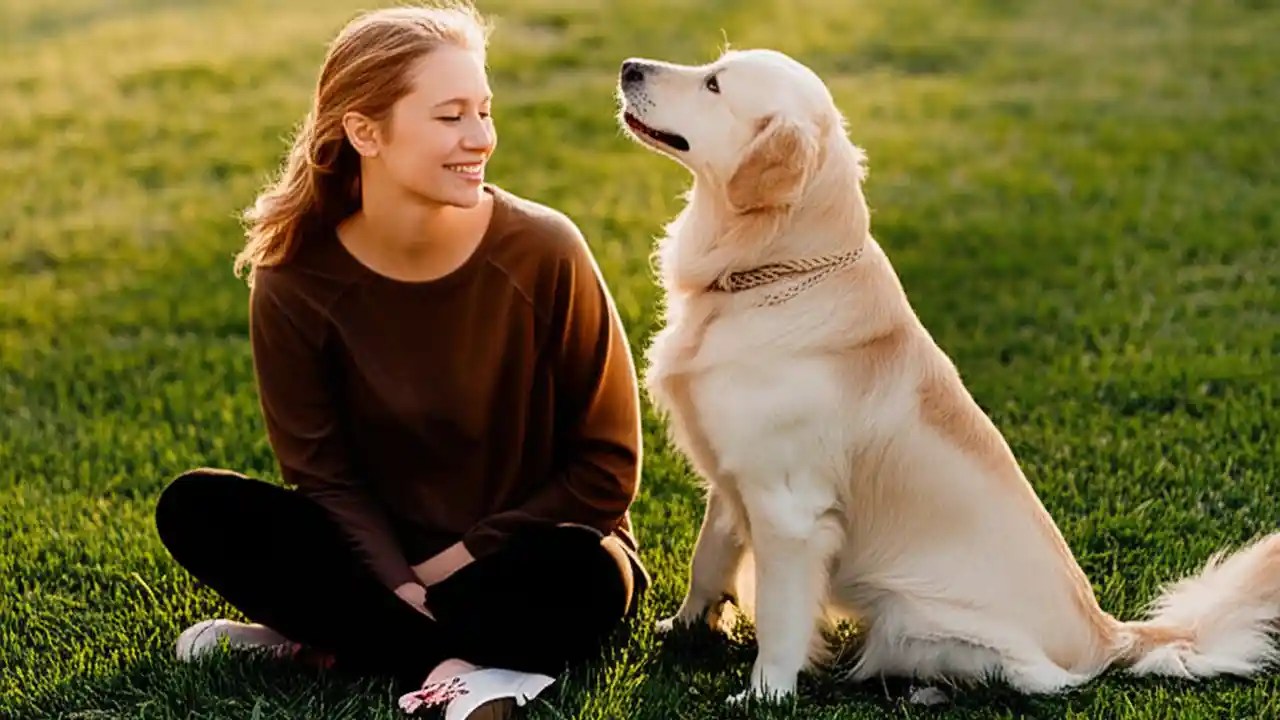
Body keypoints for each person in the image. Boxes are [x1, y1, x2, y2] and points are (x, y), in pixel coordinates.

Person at [152, 3, 648, 718]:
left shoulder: (546, 250)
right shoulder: (294, 279)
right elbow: (324, 476)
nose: (480, 138)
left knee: (591, 578)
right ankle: (445, 667)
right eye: (450, 116)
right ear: (364, 131)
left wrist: (440, 571)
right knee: (198, 507)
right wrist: (393, 576)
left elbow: (605, 471)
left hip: (523, 559)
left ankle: (326, 638)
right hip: (369, 555)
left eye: (484, 111)